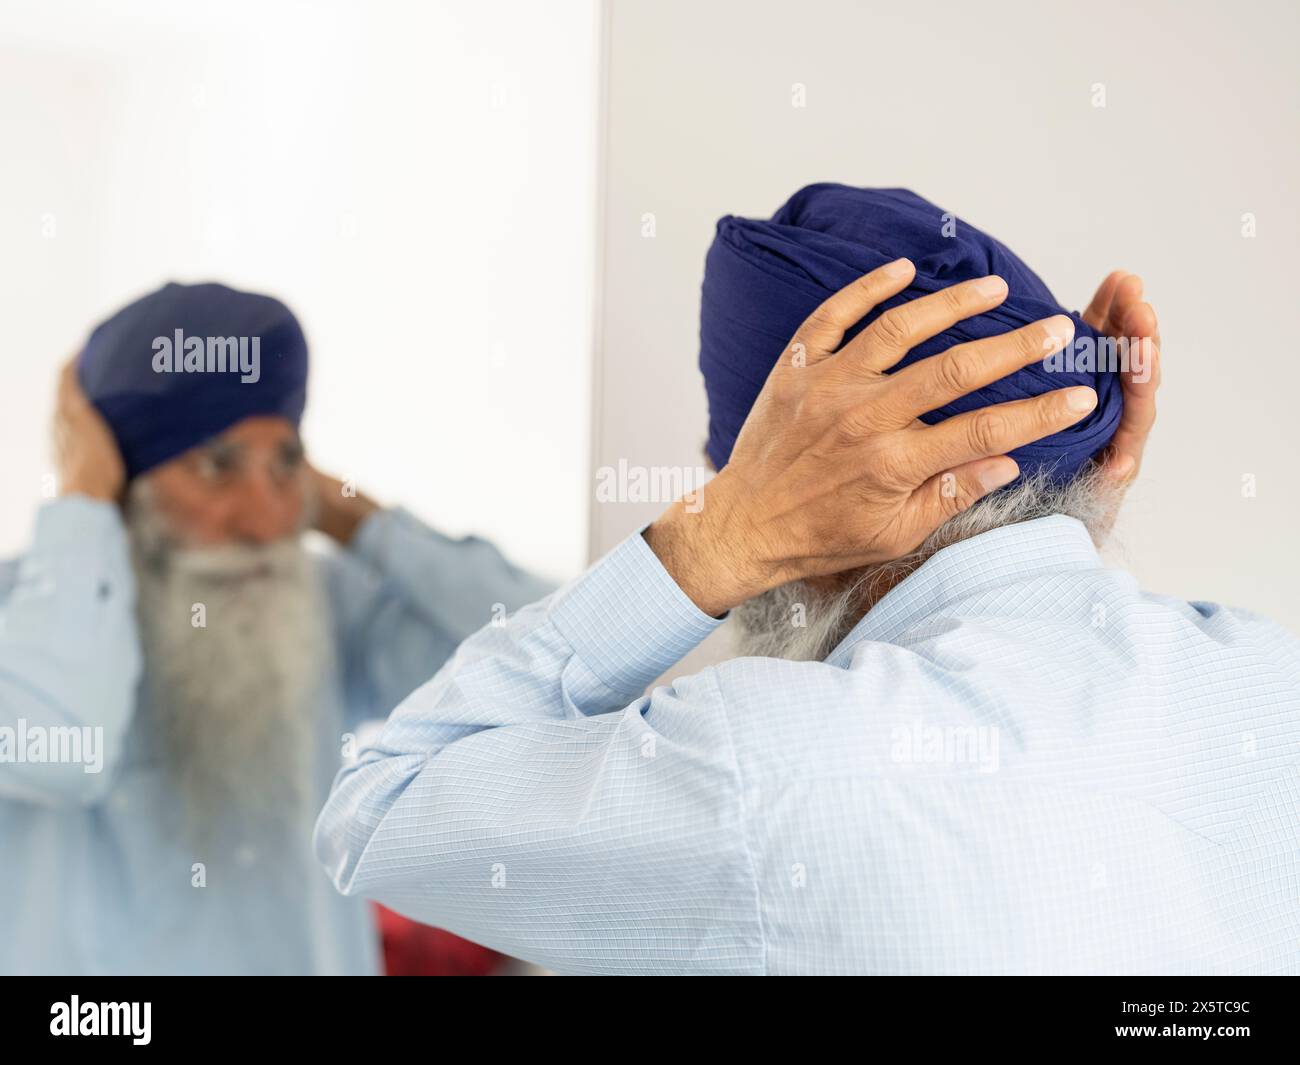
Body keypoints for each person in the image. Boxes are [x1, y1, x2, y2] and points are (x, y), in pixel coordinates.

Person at [316, 186, 1298, 975]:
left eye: (739, 475)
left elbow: (383, 808)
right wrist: (1062, 507)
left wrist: (710, 541)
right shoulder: (1265, 677)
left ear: (798, 489)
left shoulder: (761, 765)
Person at [0, 281, 549, 974]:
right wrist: (82, 501)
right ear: (122, 473)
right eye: (216, 464)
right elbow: (60, 747)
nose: (264, 520)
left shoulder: (310, 606)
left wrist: (351, 515)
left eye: (286, 463)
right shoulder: (24, 612)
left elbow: (561, 660)